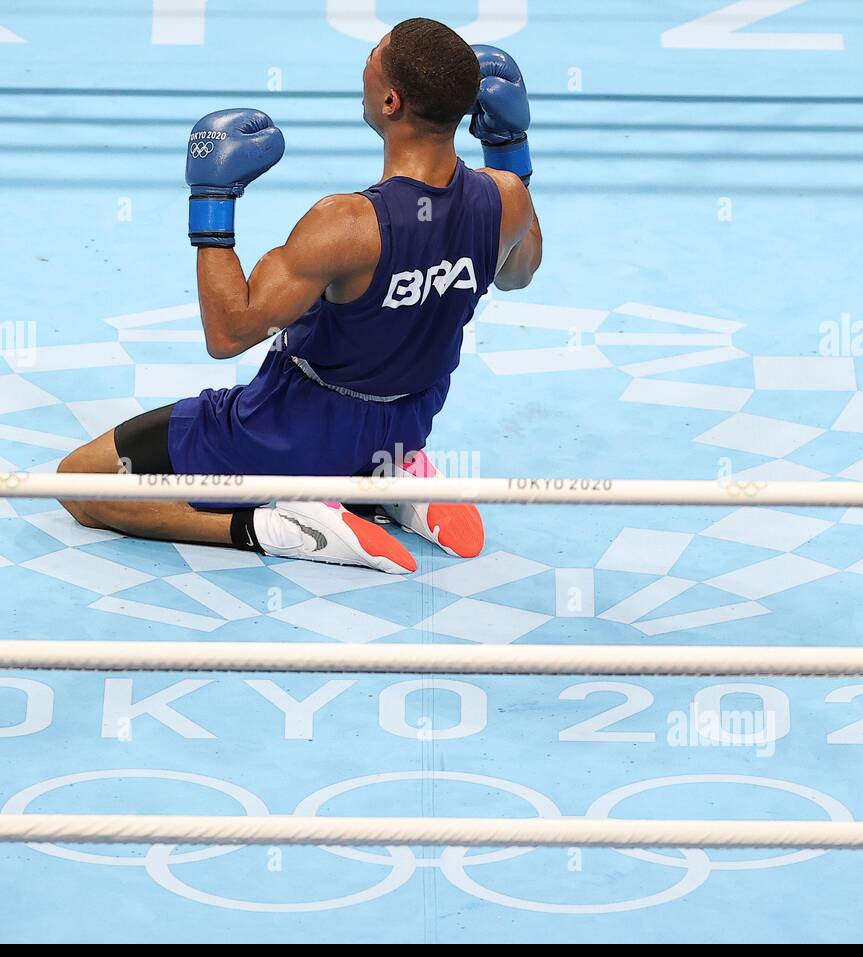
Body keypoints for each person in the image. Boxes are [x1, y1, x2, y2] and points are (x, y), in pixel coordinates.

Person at [58, 18, 542, 574]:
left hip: (289, 431)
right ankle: (382, 475)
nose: (365, 63)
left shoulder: (346, 225)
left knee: (81, 482)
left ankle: (279, 526)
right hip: (409, 421)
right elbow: (518, 273)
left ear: (390, 101)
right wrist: (510, 147)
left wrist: (212, 198)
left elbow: (229, 333)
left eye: (372, 56)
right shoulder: (505, 196)